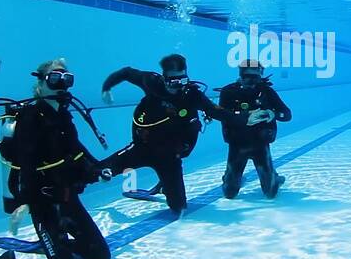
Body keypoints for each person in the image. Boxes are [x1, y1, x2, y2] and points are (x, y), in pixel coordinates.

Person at [99, 54, 266, 214]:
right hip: (141, 148)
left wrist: (246, 119)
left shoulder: (191, 95)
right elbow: (126, 72)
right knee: (97, 171)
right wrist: (107, 87)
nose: (178, 86)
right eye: (173, 81)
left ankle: (166, 185)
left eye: (182, 80)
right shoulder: (151, 81)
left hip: (169, 156)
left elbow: (216, 111)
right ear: (163, 78)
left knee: (179, 208)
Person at [2, 59, 112, 259]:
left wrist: (97, 169)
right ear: (40, 84)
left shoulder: (63, 116)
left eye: (66, 79)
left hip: (68, 198)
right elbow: (27, 164)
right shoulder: (30, 118)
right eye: (54, 79)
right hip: (43, 204)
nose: (61, 85)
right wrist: (24, 203)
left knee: (101, 257)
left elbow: (77, 150)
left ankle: (57, 245)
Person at [217, 60, 291, 199]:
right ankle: (229, 177)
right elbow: (222, 115)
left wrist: (273, 113)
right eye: (246, 76)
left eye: (255, 77)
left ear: (260, 76)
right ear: (240, 75)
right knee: (229, 193)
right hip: (237, 144)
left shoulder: (266, 92)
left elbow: (287, 114)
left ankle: (273, 176)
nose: (250, 81)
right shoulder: (229, 92)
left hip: (260, 143)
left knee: (270, 192)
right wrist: (245, 116)